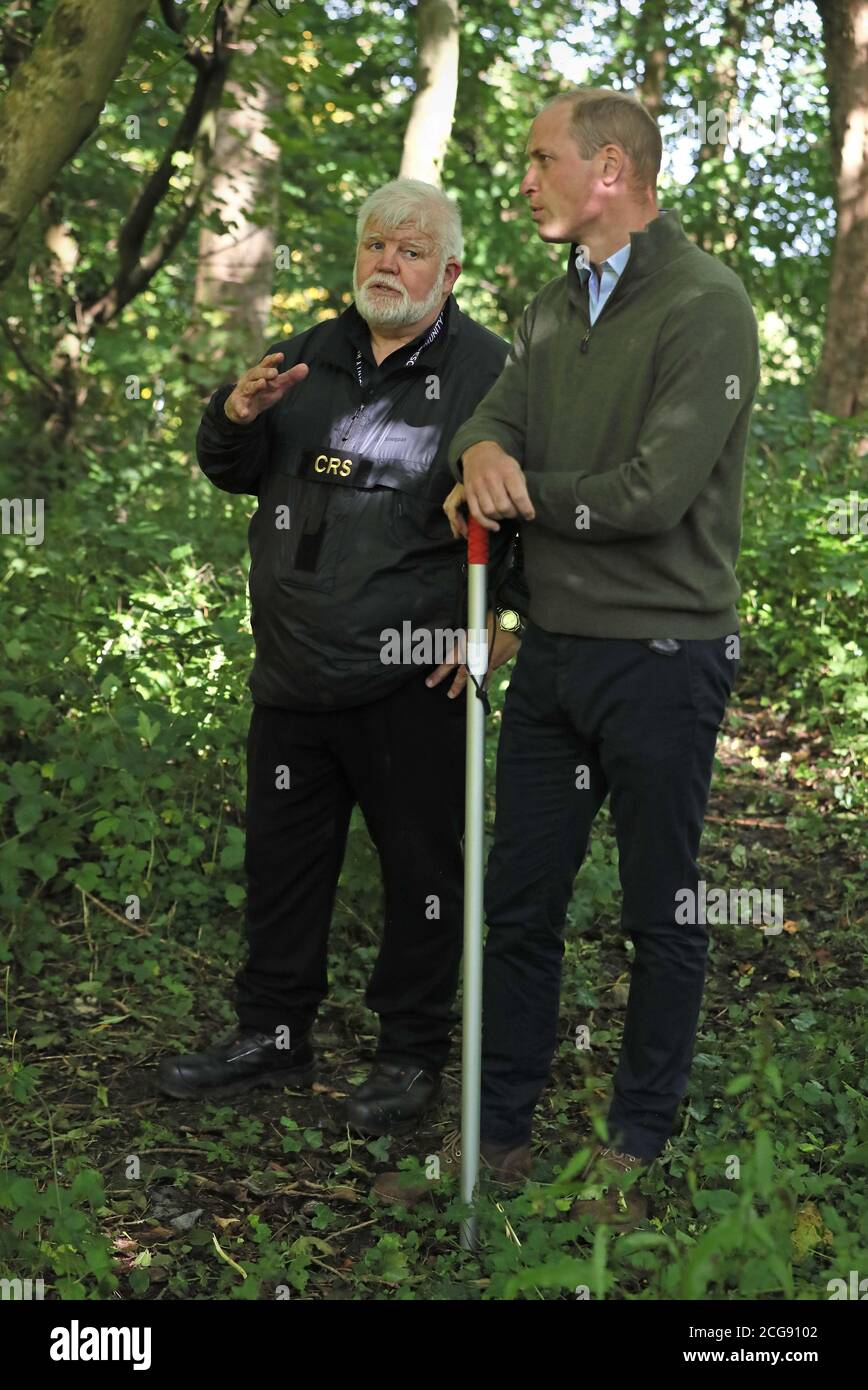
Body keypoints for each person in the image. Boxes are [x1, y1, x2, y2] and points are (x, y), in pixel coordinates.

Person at [375, 90, 759, 1220]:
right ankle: (494, 1138)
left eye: (540, 161)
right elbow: (485, 421)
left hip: (663, 656)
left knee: (659, 912)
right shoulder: (550, 308)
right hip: (548, 660)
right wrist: (485, 450)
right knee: (518, 904)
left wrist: (517, 493)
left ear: (607, 169)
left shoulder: (706, 304)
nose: (524, 182)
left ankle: (633, 1147)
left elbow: (654, 493)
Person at [157, 179, 527, 1136]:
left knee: (422, 877)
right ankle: (272, 1037)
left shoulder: (493, 373)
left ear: (449, 272)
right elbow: (235, 472)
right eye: (374, 245)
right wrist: (232, 415)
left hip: (414, 674)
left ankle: (410, 1056)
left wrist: (505, 619)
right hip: (291, 670)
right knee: (282, 866)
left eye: (409, 251)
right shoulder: (308, 354)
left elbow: (528, 508)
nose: (385, 264)